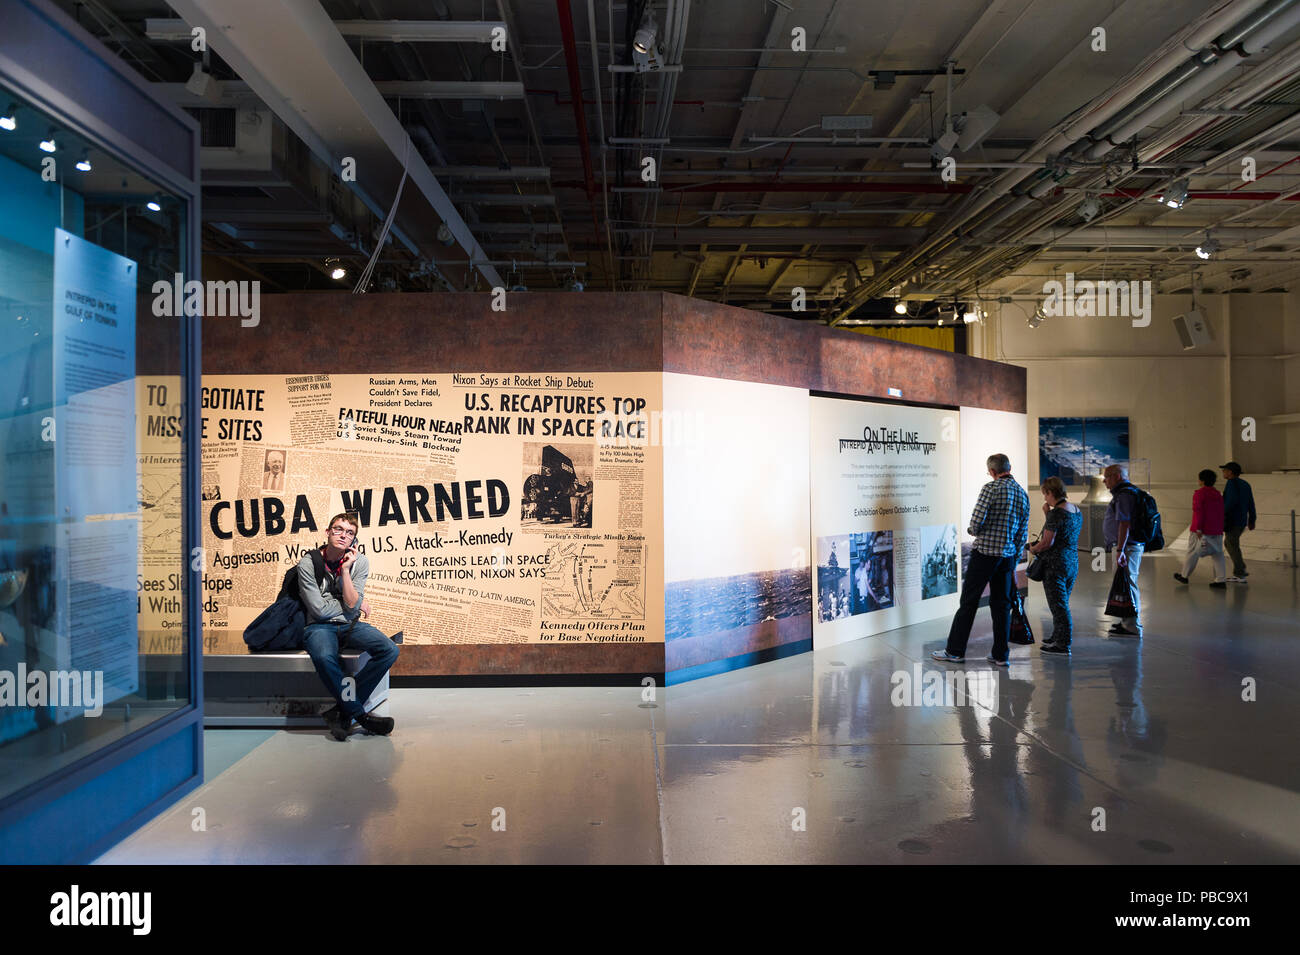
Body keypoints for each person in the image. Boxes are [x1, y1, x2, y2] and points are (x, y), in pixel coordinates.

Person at [300, 512, 400, 740]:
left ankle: (342, 711)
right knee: (325, 658)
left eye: (349, 533)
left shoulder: (360, 563)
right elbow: (319, 611)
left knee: (389, 649)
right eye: (338, 529)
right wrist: (351, 605)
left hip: (349, 626)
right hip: (319, 627)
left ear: (354, 539)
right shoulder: (308, 563)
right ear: (328, 532)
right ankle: (358, 714)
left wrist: (346, 571)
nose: (343, 535)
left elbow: (352, 608)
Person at [932, 453, 1030, 667]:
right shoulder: (1022, 494)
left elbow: (976, 523)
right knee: (1002, 604)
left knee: (968, 602)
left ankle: (955, 651)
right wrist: (1013, 557)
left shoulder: (990, 488)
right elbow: (1022, 534)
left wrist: (972, 530)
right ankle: (1001, 655)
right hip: (1006, 556)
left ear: (993, 471)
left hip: (984, 553)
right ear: (1009, 468)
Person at [1028, 476, 1081, 654]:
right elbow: (1061, 531)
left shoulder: (1056, 513)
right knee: (1062, 602)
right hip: (1072, 562)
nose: (1045, 498)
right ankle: (1057, 636)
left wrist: (1034, 549)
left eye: (1045, 494)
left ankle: (1063, 643)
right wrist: (1047, 513)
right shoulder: (1075, 510)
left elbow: (1048, 542)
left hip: (1055, 565)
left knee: (1058, 606)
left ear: (1051, 492)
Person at [1102, 464, 1145, 636]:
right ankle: (1126, 621)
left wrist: (1120, 548)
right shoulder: (1125, 493)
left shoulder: (1125, 494)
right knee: (1125, 582)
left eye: (1107, 476)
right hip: (1126, 546)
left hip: (1127, 546)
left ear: (1117, 476)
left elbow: (1124, 523)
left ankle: (1133, 625)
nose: (1105, 481)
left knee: (1129, 582)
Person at [1174, 469, 1227, 588]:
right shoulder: (1218, 494)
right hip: (1217, 529)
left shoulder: (1199, 493)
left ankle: (1184, 576)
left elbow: (1198, 511)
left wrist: (1198, 528)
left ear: (1202, 481)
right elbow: (1221, 512)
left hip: (1202, 529)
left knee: (1192, 552)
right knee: (1218, 554)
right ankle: (1221, 580)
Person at [1220, 461, 1256, 581]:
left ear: (1230, 472)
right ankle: (1240, 569)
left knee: (1231, 543)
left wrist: (1220, 514)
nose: (1223, 472)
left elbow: (1230, 502)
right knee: (1231, 543)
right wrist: (1252, 519)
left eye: (1224, 470)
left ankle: (1240, 573)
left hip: (1233, 520)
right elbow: (1251, 503)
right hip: (1241, 520)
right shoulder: (1245, 484)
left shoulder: (1231, 483)